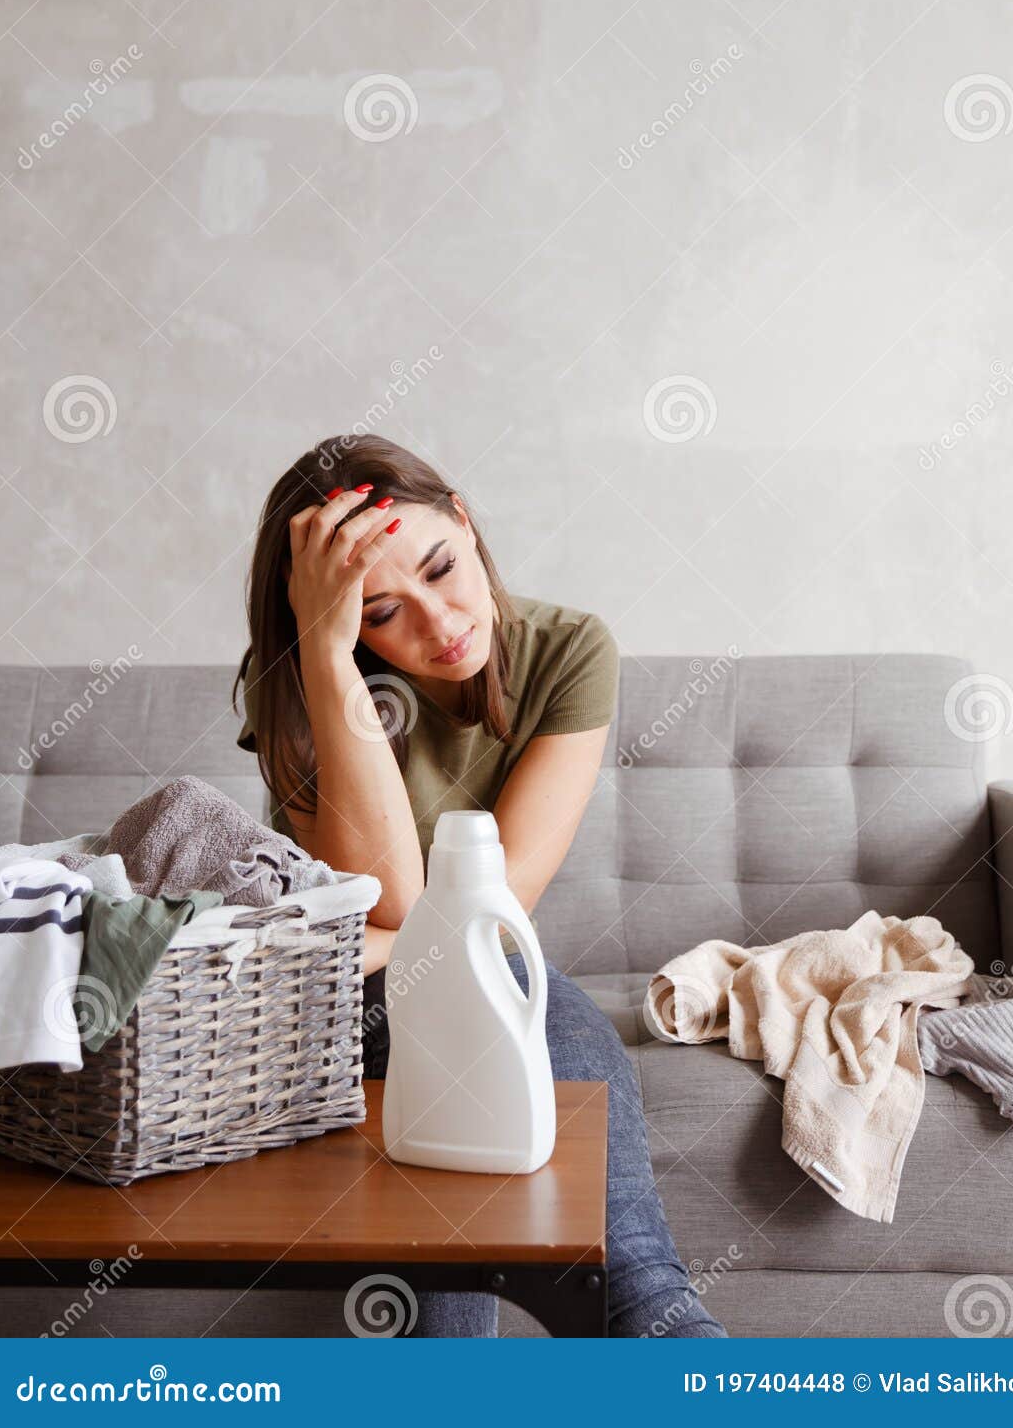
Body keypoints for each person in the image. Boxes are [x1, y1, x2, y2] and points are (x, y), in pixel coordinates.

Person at [234, 432, 726, 1340]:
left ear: (463, 519)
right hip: (331, 1003)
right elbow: (388, 903)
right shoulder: (303, 687)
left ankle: (656, 1329)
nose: (438, 622)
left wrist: (380, 941)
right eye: (380, 611)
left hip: (464, 971)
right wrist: (325, 654)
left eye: (441, 567)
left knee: (529, 1022)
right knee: (500, 1048)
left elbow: (499, 909)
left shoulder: (569, 649)